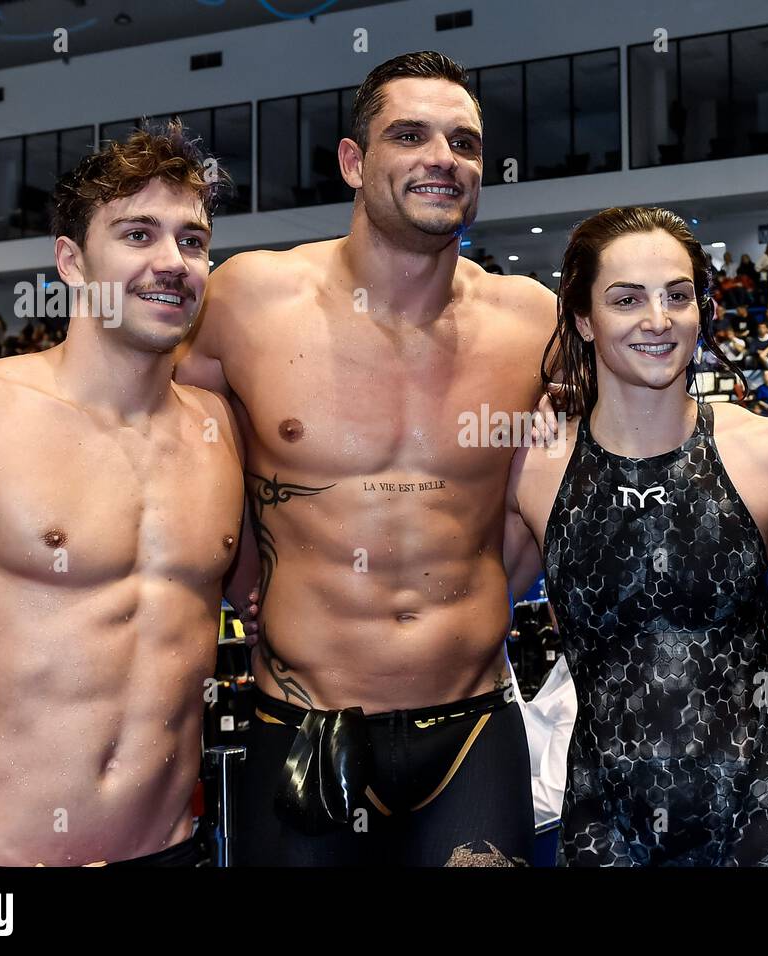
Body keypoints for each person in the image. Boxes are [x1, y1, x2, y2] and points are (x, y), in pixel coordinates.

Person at [171, 51, 555, 866]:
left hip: (472, 730)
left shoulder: (531, 321)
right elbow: (139, 423)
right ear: (354, 160)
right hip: (304, 731)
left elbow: (593, 463)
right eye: (409, 135)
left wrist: (493, 583)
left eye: (464, 142)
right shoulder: (249, 300)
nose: (442, 158)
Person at [0, 124, 246, 867]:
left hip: (167, 854)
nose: (171, 262)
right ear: (71, 261)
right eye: (138, 234)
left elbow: (277, 610)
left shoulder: (223, 433)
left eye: (193, 241)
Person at [504, 206, 768, 865]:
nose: (657, 319)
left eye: (677, 296)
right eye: (627, 299)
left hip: (752, 825)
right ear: (583, 319)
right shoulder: (536, 467)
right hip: (605, 828)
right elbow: (466, 621)